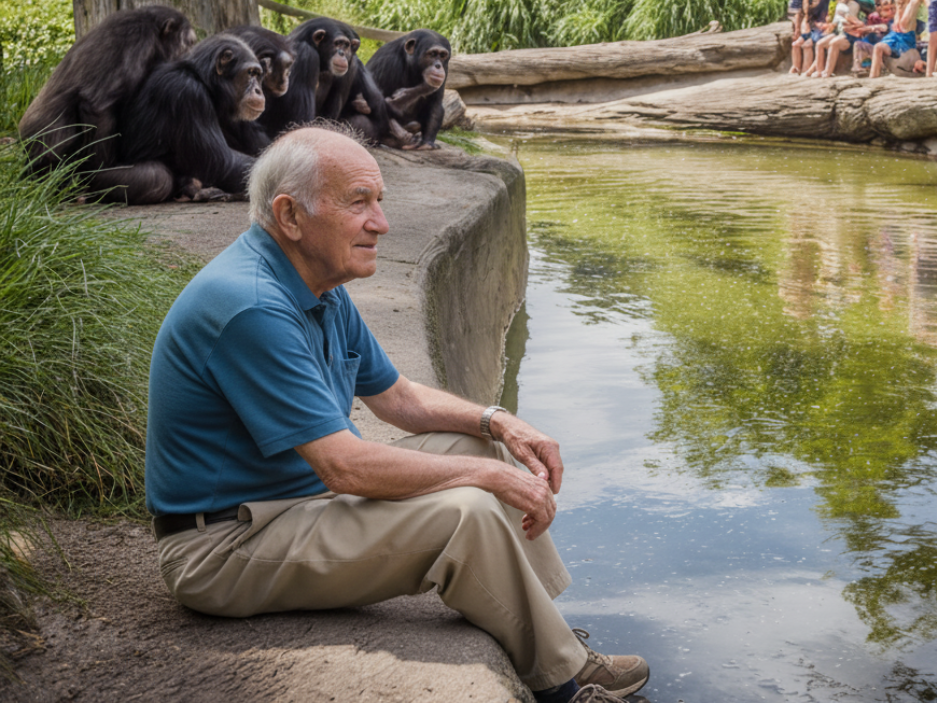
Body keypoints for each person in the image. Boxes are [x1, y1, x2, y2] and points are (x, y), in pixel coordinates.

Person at [144, 126, 650, 703]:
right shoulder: (252, 306)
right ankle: (563, 686)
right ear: (290, 216)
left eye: (379, 201)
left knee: (479, 444)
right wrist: (488, 478)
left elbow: (400, 398)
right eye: (358, 202)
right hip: (223, 549)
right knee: (467, 511)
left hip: (291, 502)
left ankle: (552, 637)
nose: (381, 223)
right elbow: (345, 467)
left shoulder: (316, 283)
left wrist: (499, 422)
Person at [869, 0, 926, 77]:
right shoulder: (897, 7)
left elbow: (903, 24)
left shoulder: (911, 5)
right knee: (878, 47)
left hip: (906, 40)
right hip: (894, 38)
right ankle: (873, 76)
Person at [789, 0, 831, 74]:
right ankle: (796, 67)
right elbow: (801, 13)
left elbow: (826, 16)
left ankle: (806, 69)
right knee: (796, 44)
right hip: (809, 27)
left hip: (819, 28)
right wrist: (798, 28)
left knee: (807, 44)